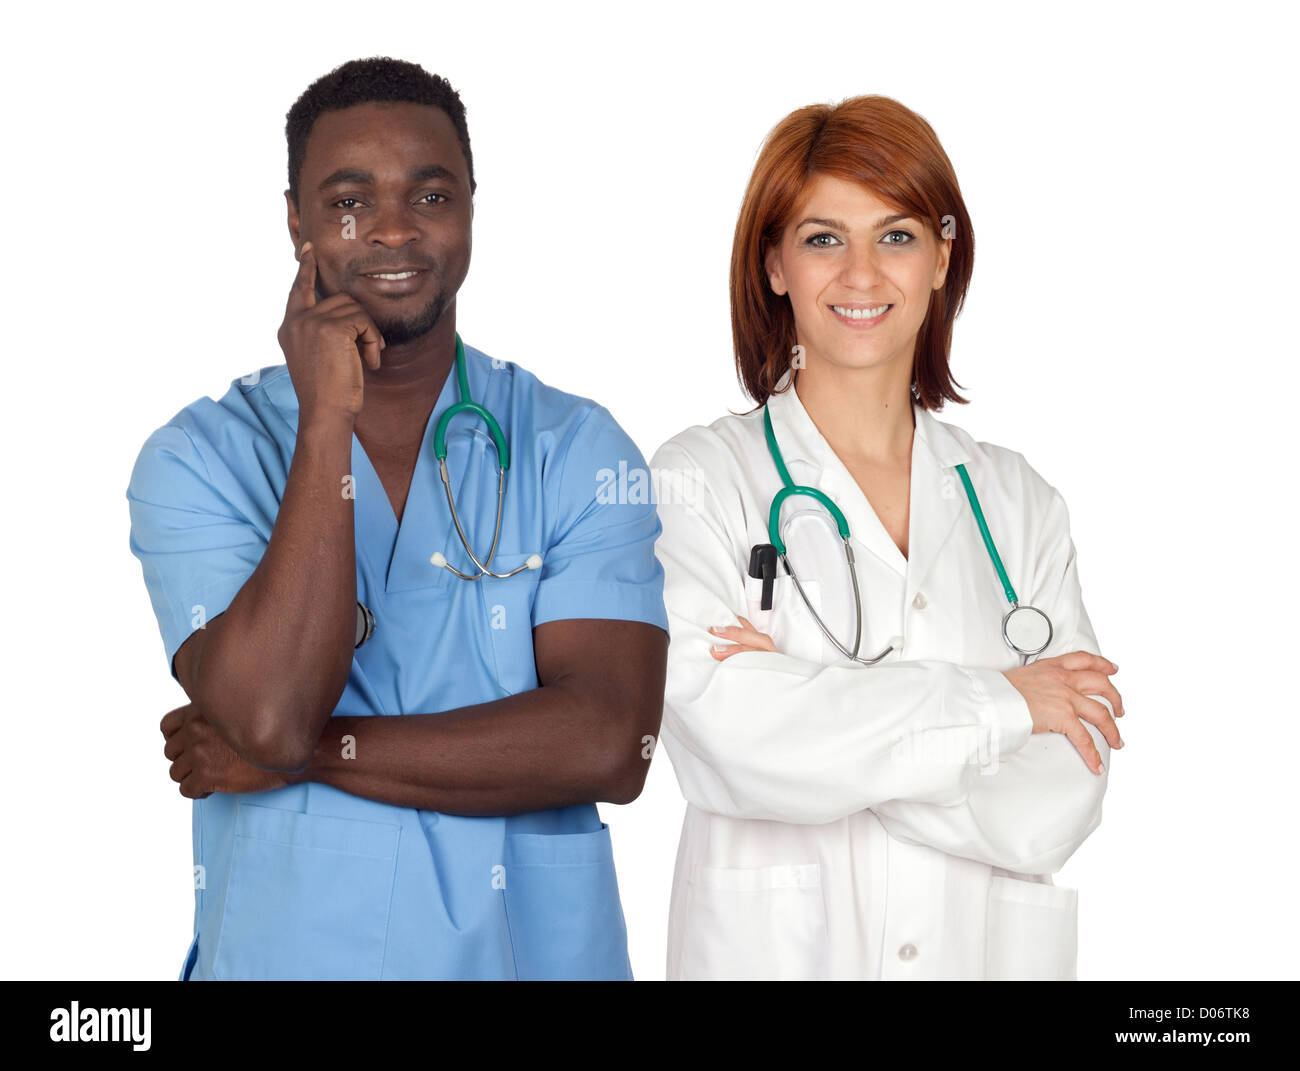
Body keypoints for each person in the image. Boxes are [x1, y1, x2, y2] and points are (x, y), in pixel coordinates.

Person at [125, 57, 668, 981]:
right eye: (346, 201)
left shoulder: (575, 447)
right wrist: (324, 424)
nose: (391, 228)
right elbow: (265, 709)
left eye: (429, 193)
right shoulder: (197, 458)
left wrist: (302, 758)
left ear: (469, 210)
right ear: (294, 220)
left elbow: (612, 743)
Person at [650, 95, 1124, 981]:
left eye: (898, 235)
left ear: (943, 257)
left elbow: (1064, 792)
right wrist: (1004, 705)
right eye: (823, 237)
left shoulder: (1019, 504)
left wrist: (819, 726)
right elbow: (728, 738)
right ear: (776, 265)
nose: (862, 273)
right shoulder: (699, 480)